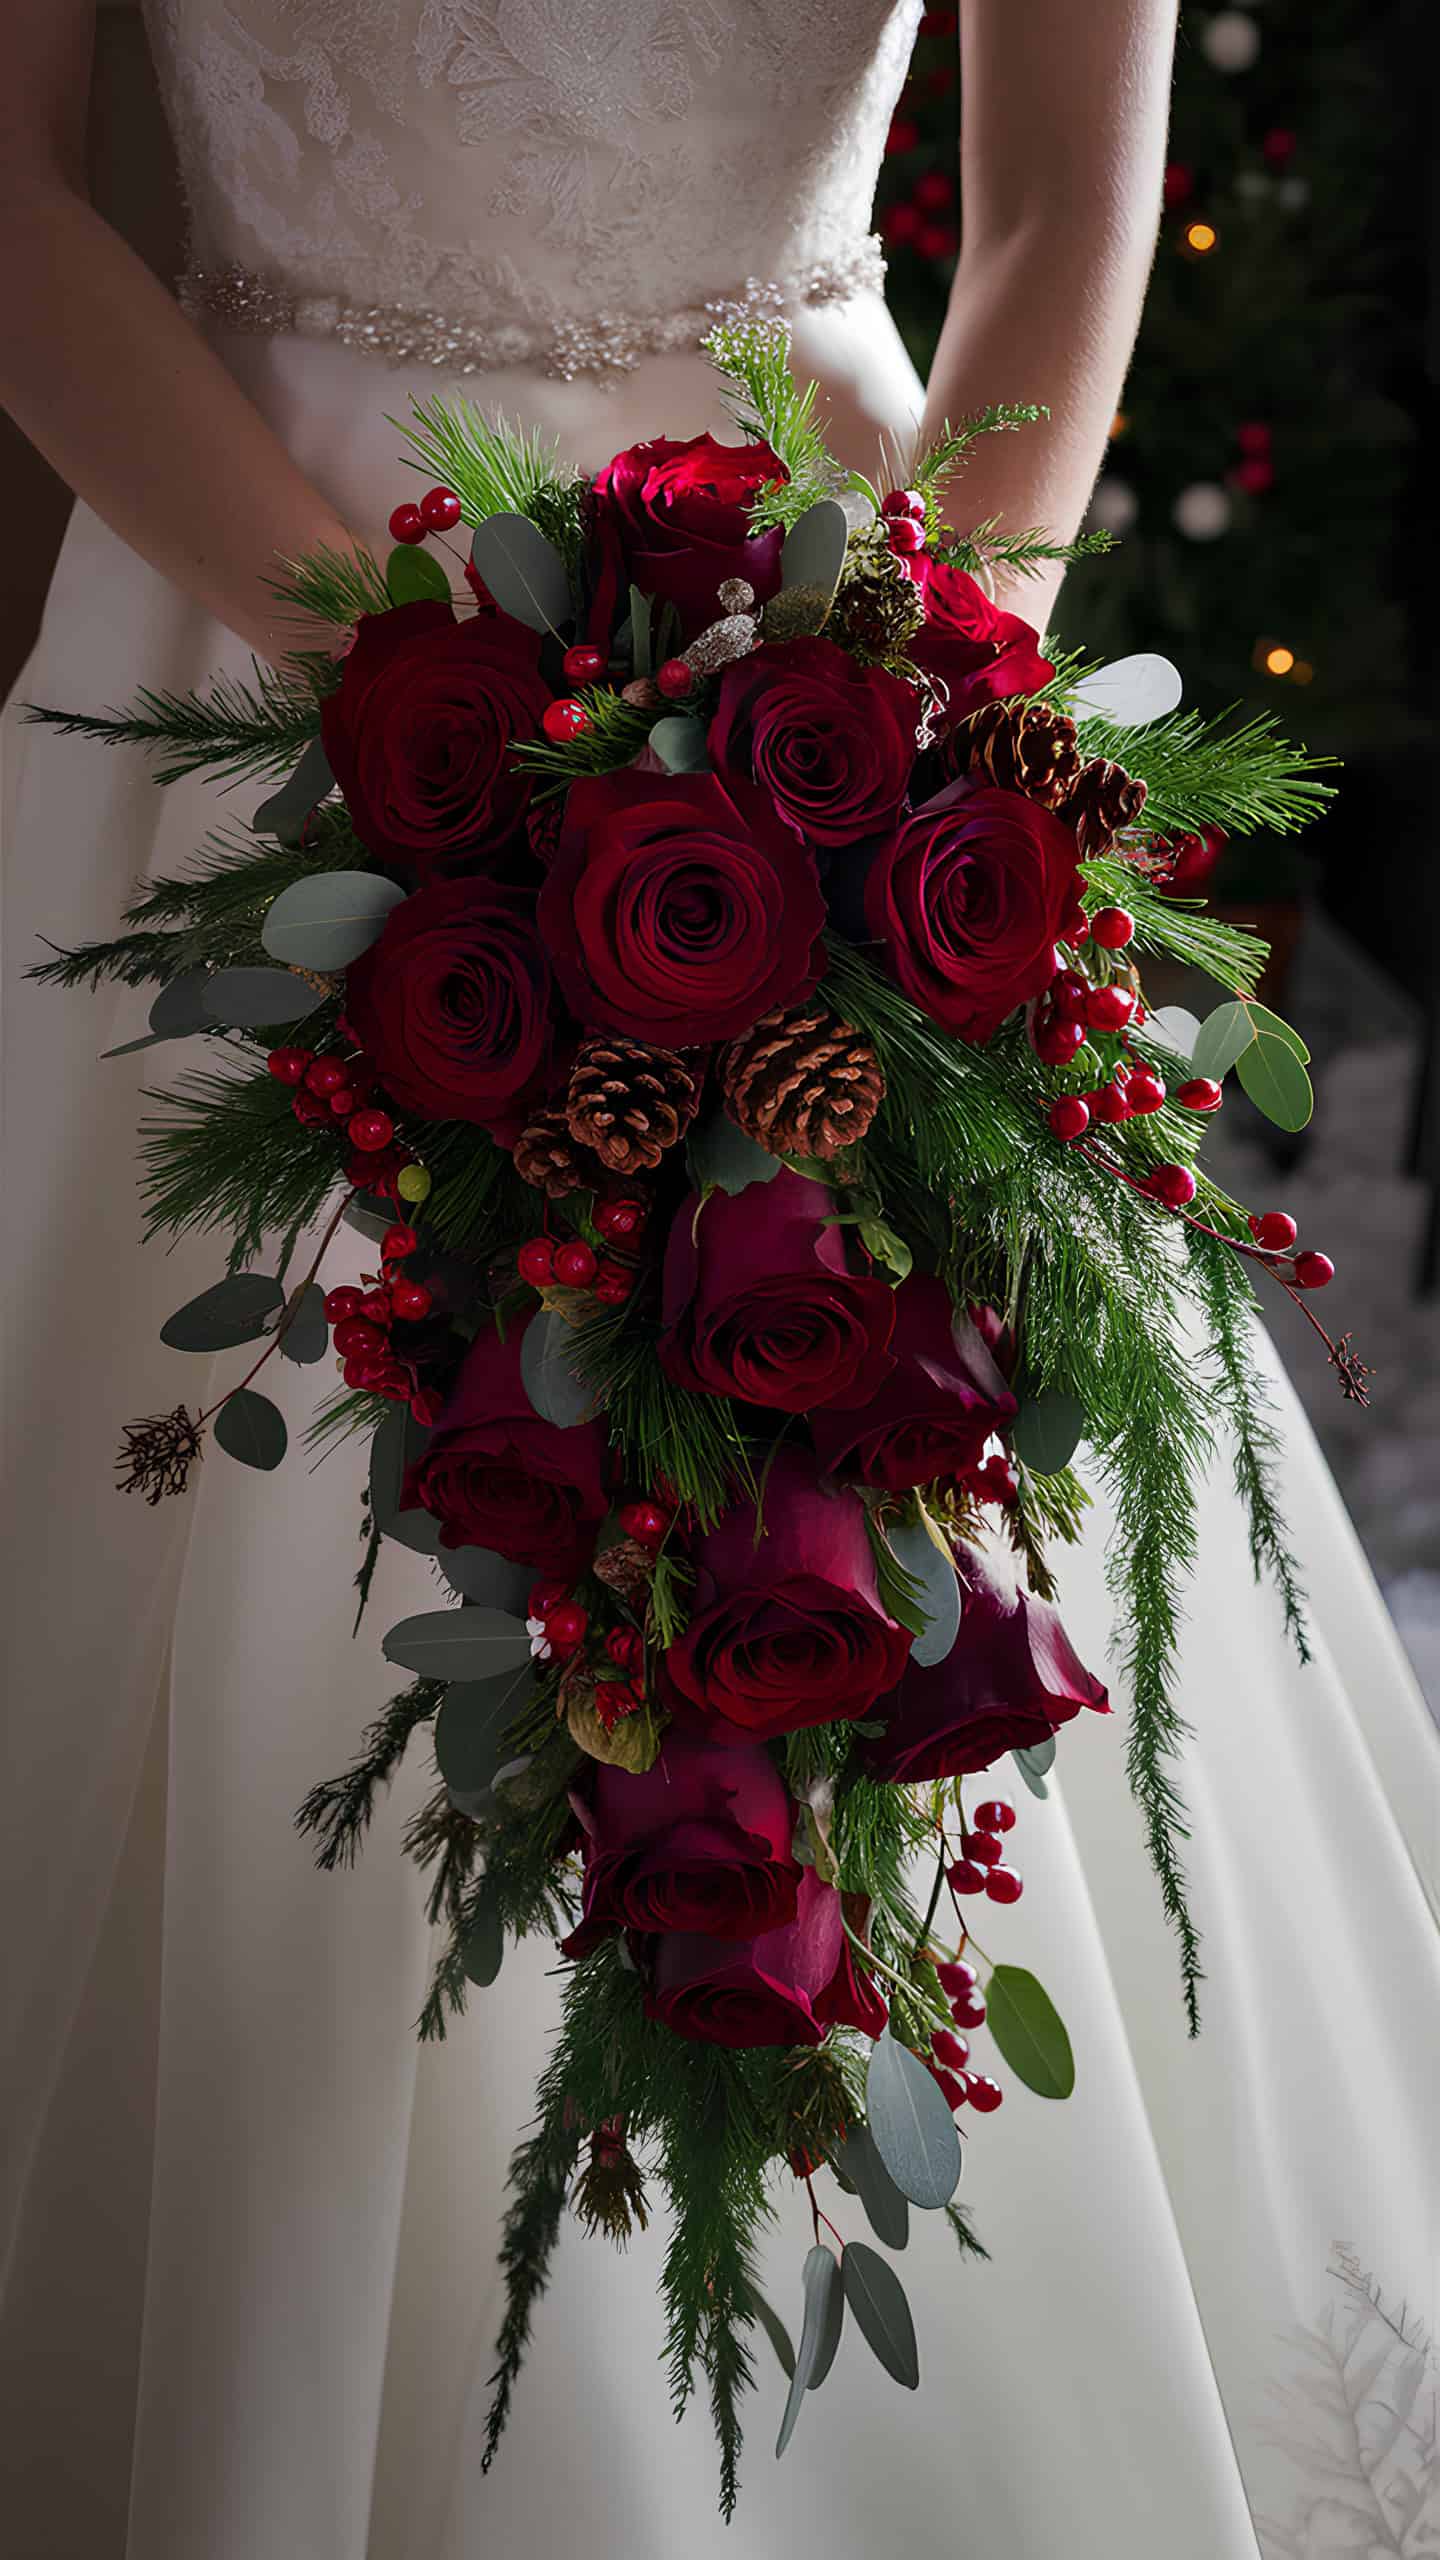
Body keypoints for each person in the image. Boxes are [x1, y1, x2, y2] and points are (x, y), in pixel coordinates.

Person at [1, 6, 1436, 2555]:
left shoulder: (871, 694)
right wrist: (404, 692)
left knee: (864, 1533)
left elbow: (1059, 208)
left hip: (828, 634)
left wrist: (908, 720)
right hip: (247, 624)